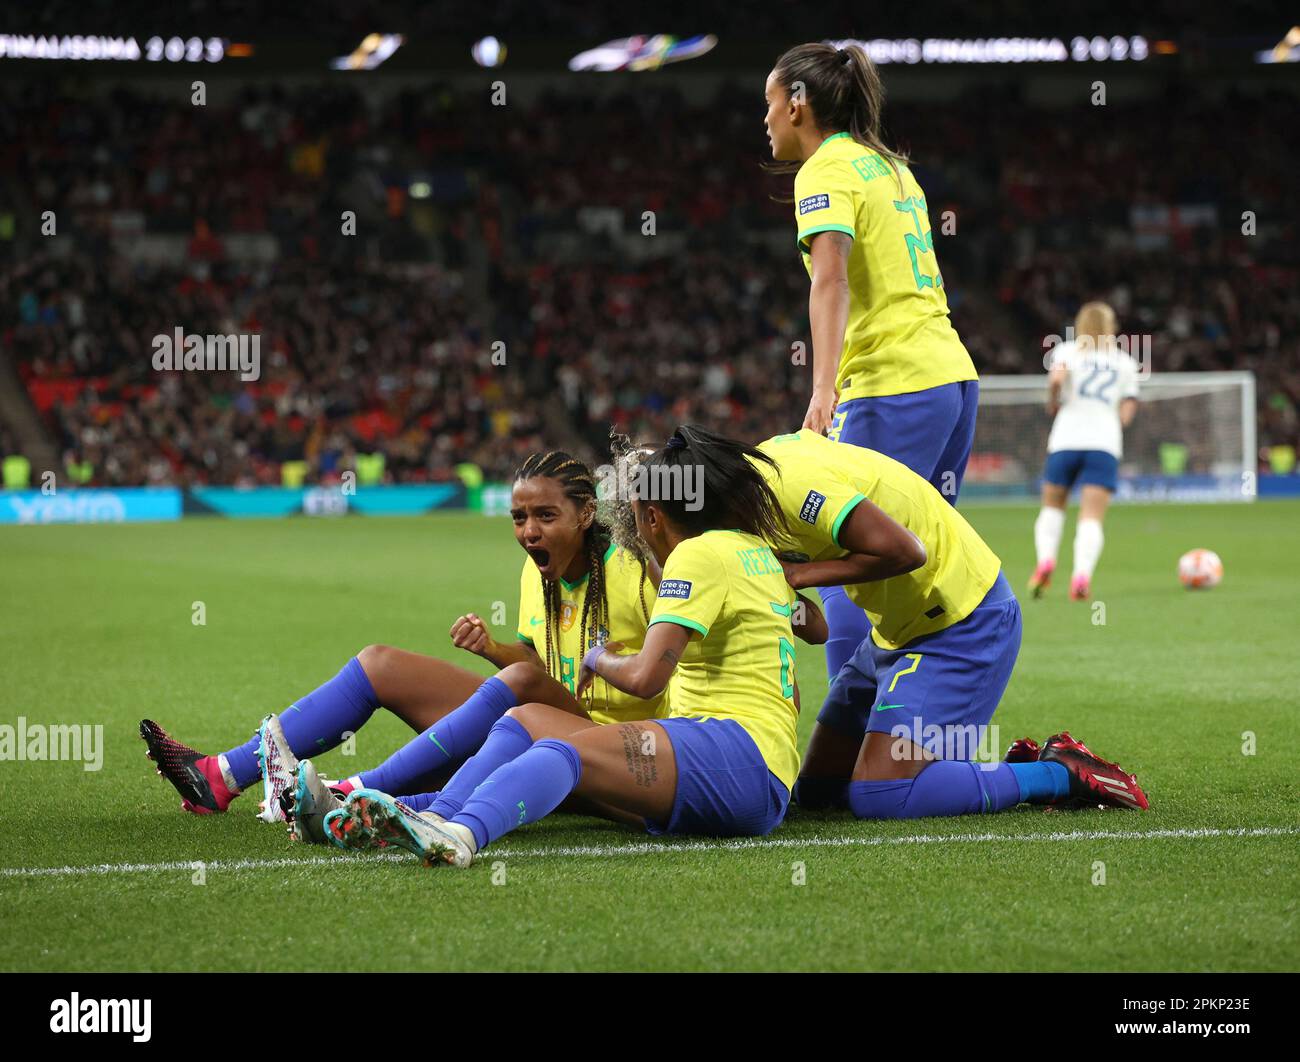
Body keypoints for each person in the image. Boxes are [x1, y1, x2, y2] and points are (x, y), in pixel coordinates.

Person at [323, 426, 828, 867]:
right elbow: (817, 626)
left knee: (565, 752)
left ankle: (458, 834)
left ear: (652, 516)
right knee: (524, 722)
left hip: (736, 758)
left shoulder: (697, 556)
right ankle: (430, 814)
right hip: (736, 756)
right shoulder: (754, 551)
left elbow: (646, 678)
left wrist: (597, 656)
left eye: (635, 519)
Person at [140, 450, 664, 837]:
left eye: (545, 516)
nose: (528, 531)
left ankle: (347, 791)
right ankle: (221, 775)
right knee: (380, 664)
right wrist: (492, 651)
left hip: (617, 759)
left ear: (587, 514)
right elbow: (537, 664)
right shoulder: (538, 574)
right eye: (519, 518)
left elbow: (672, 664)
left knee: (522, 684)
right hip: (540, 725)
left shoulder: (636, 571)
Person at [753, 428, 1149, 818]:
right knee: (817, 792)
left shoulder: (790, 489)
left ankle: (1060, 772)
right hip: (892, 630)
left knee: (882, 795)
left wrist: (799, 576)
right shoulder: (761, 466)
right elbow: (816, 627)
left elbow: (905, 551)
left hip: (959, 622)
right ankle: (991, 766)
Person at [763, 41, 980, 678]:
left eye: (770, 104)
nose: (767, 120)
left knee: (852, 560)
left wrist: (823, 388)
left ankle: (847, 752)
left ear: (798, 104)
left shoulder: (824, 169)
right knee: (913, 561)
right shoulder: (890, 168)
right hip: (950, 382)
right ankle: (915, 725)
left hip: (892, 388)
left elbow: (830, 279)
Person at [1029, 302, 1141, 601]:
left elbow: (1055, 384)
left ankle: (1045, 561)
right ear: (1111, 326)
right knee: (1091, 517)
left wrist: (1054, 398)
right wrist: (1112, 420)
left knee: (1052, 507)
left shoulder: (1065, 352)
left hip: (1066, 439)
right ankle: (1081, 576)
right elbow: (1127, 411)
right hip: (1103, 443)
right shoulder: (1125, 362)